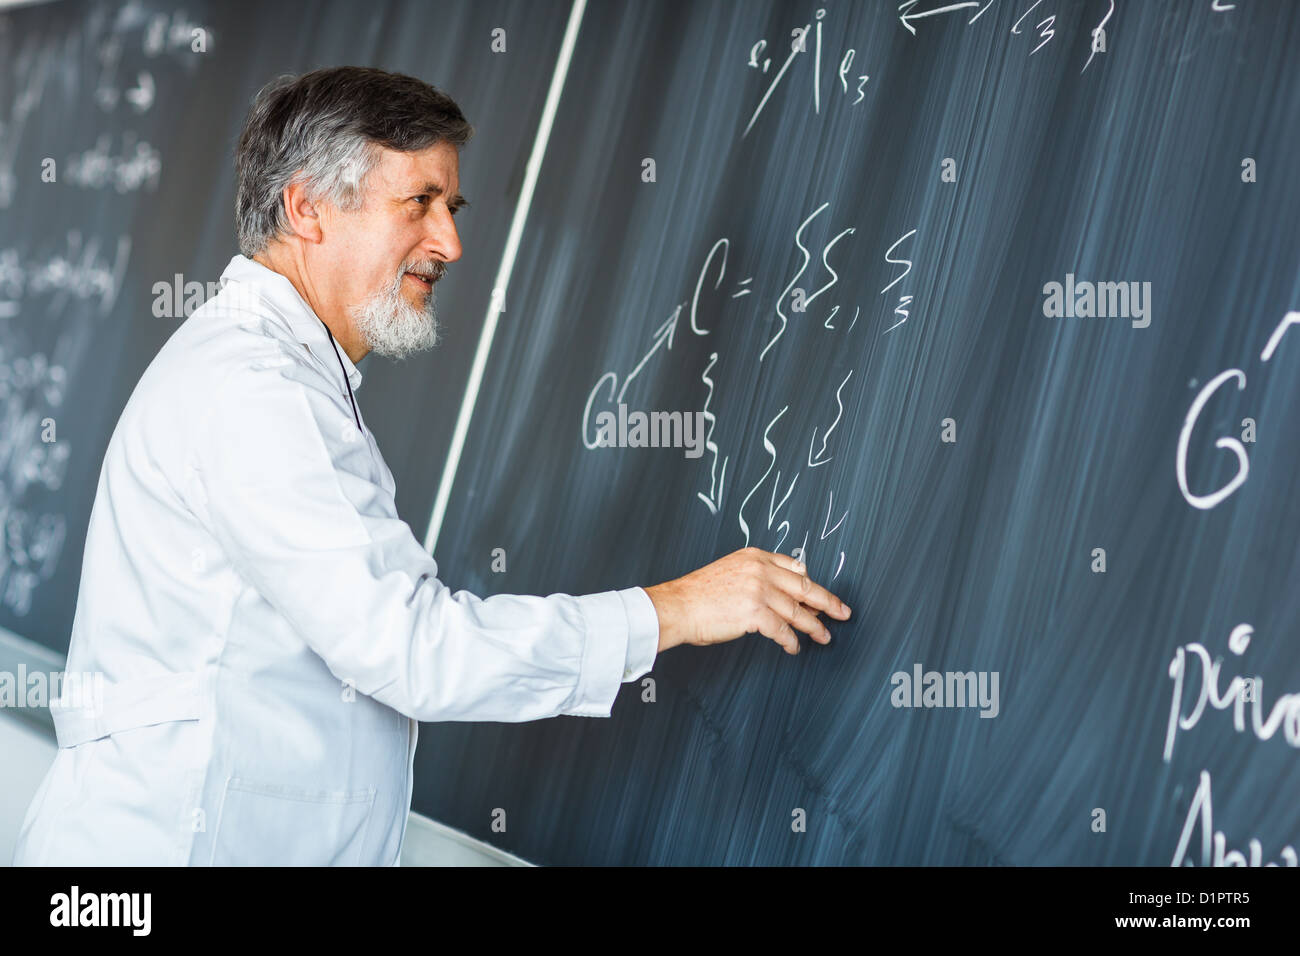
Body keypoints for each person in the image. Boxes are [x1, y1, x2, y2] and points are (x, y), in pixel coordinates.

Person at [12, 67, 849, 866]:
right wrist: (673, 610)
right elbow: (411, 650)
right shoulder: (255, 390)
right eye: (419, 201)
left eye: (452, 205)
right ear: (308, 209)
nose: (449, 240)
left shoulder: (283, 374)